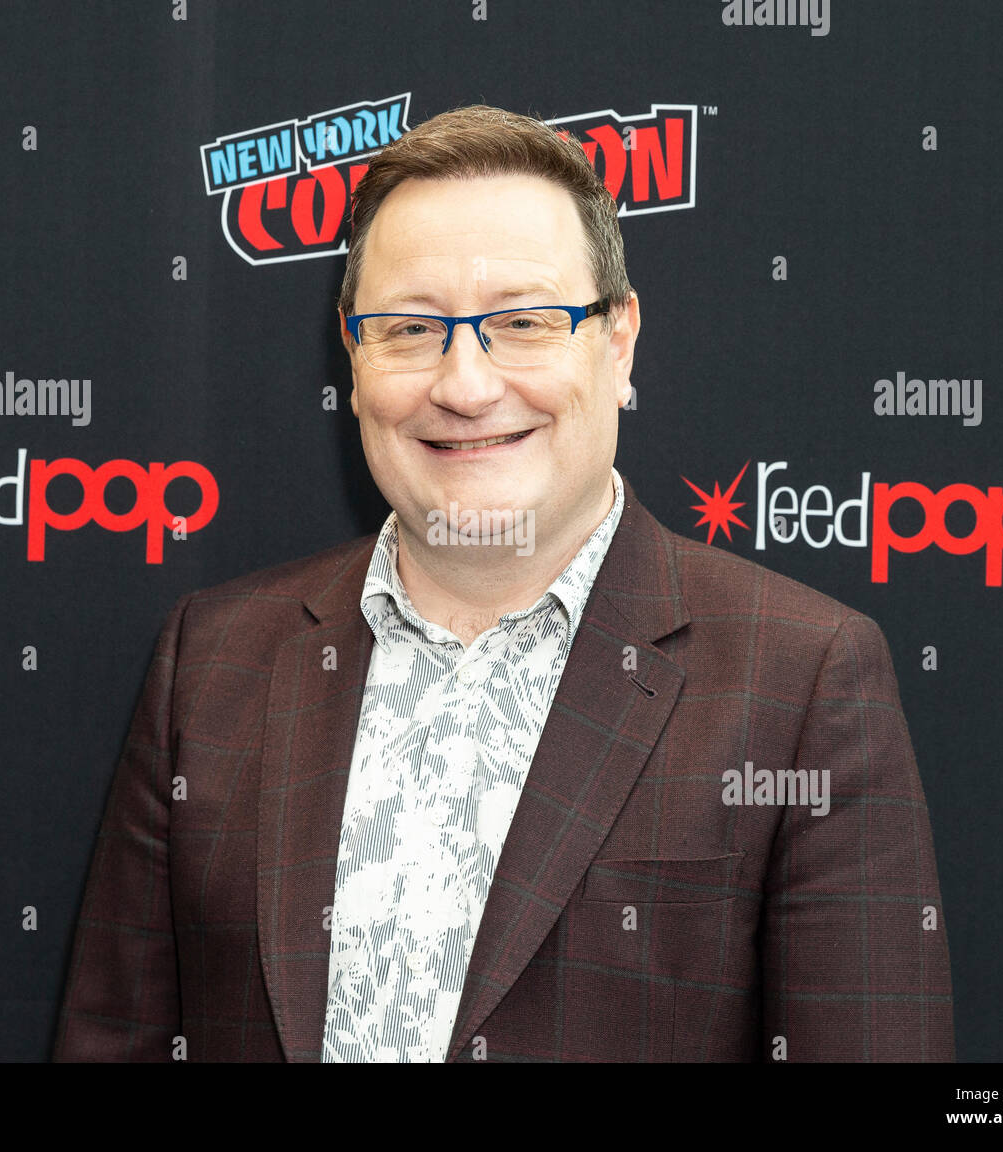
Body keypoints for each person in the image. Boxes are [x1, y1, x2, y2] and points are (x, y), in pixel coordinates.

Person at [53, 104, 954, 1063]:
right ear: (353, 361)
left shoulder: (804, 677)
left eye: (523, 323)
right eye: (408, 329)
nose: (466, 386)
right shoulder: (211, 659)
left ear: (617, 345)